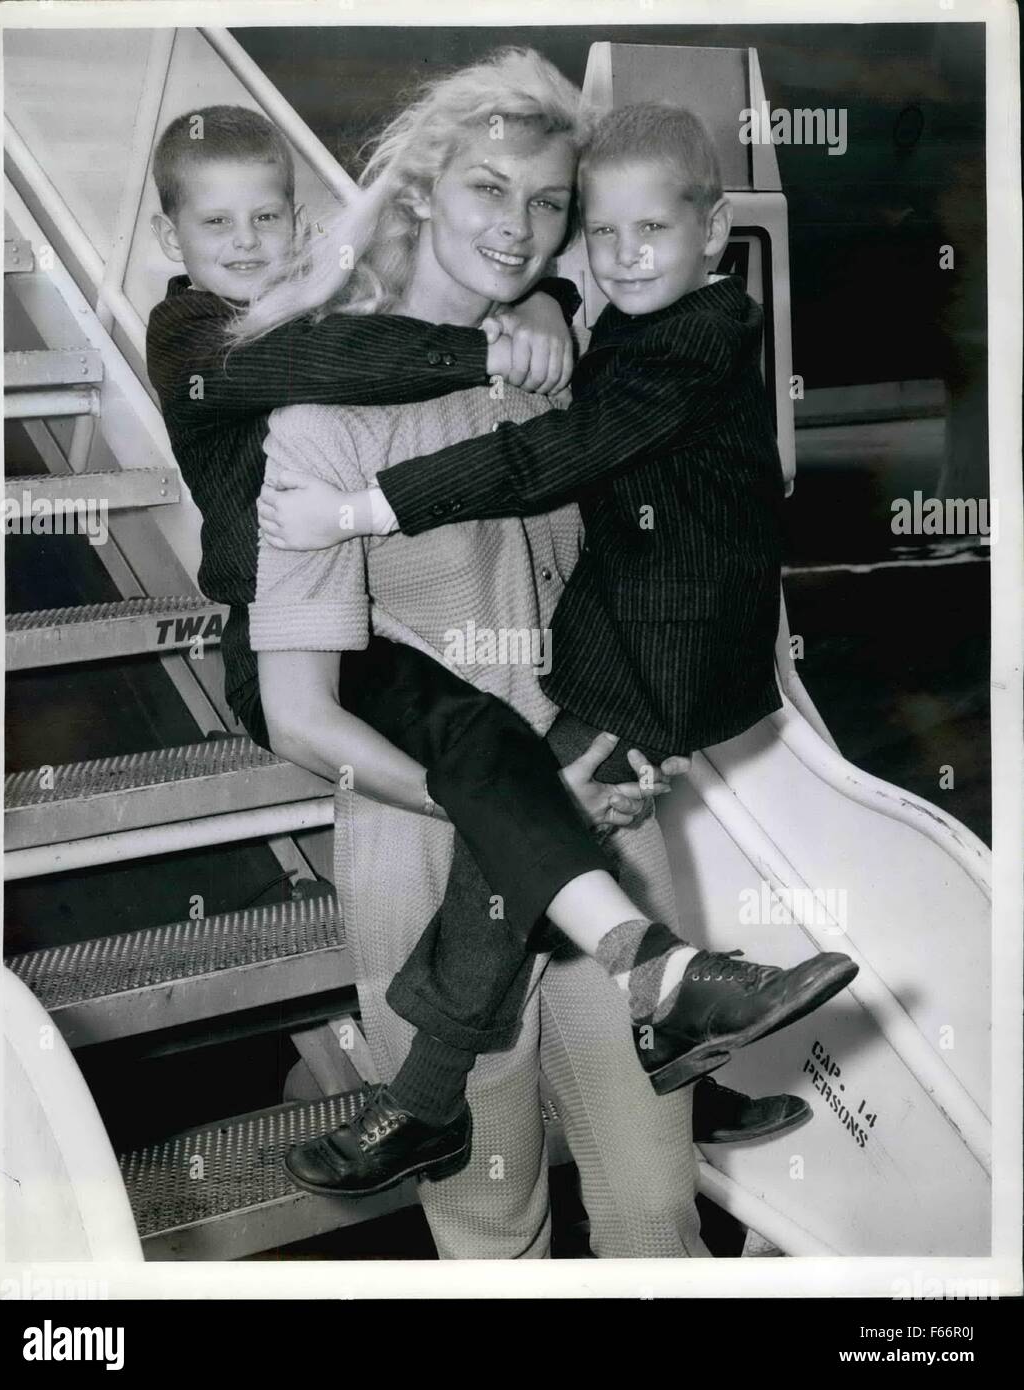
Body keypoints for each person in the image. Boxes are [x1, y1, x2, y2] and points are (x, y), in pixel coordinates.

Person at [144, 94, 819, 1194]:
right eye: (487, 191)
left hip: (576, 777)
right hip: (398, 759)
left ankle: (638, 1036)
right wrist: (494, 347)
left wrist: (544, 310)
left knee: (650, 1196)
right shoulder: (237, 355)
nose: (249, 246)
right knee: (486, 1208)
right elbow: (328, 373)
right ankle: (450, 1086)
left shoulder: (571, 351)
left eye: (551, 205)